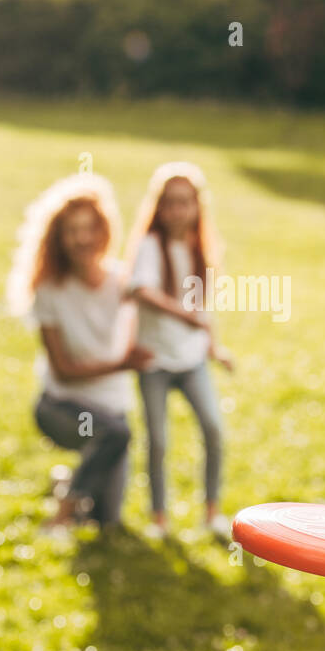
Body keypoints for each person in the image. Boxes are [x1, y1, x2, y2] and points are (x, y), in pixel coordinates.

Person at [7, 173, 152, 531]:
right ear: (58, 237)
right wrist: (122, 364)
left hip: (113, 409)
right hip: (61, 408)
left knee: (107, 521)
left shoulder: (123, 282)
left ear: (104, 230)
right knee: (114, 434)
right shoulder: (49, 291)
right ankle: (61, 516)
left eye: (89, 228)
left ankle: (67, 485)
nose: (82, 238)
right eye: (72, 230)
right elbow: (64, 370)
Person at [125, 162, 234, 538]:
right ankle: (159, 518)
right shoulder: (150, 246)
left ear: (197, 206)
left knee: (214, 430)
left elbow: (203, 311)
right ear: (158, 206)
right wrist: (185, 316)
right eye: (170, 203)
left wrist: (215, 349)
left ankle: (211, 511)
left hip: (191, 361)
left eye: (185, 203)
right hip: (154, 361)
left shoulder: (198, 249)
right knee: (157, 441)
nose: (177, 211)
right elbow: (142, 290)